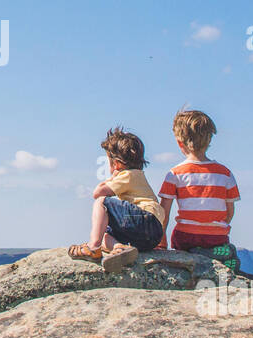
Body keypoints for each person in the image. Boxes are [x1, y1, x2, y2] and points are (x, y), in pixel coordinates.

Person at [69, 126, 166, 272]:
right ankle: (120, 248)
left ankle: (93, 247)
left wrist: (111, 178)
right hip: (152, 235)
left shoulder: (127, 174)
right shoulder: (138, 176)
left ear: (116, 164)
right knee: (105, 234)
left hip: (143, 219)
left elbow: (98, 193)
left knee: (101, 202)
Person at [157, 109, 241, 273]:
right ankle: (216, 255)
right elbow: (230, 212)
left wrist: (161, 243)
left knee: (181, 244)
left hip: (185, 237)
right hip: (216, 237)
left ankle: (195, 254)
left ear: (180, 143)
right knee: (231, 260)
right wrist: (214, 227)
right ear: (209, 139)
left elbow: (163, 213)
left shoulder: (174, 174)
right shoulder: (225, 173)